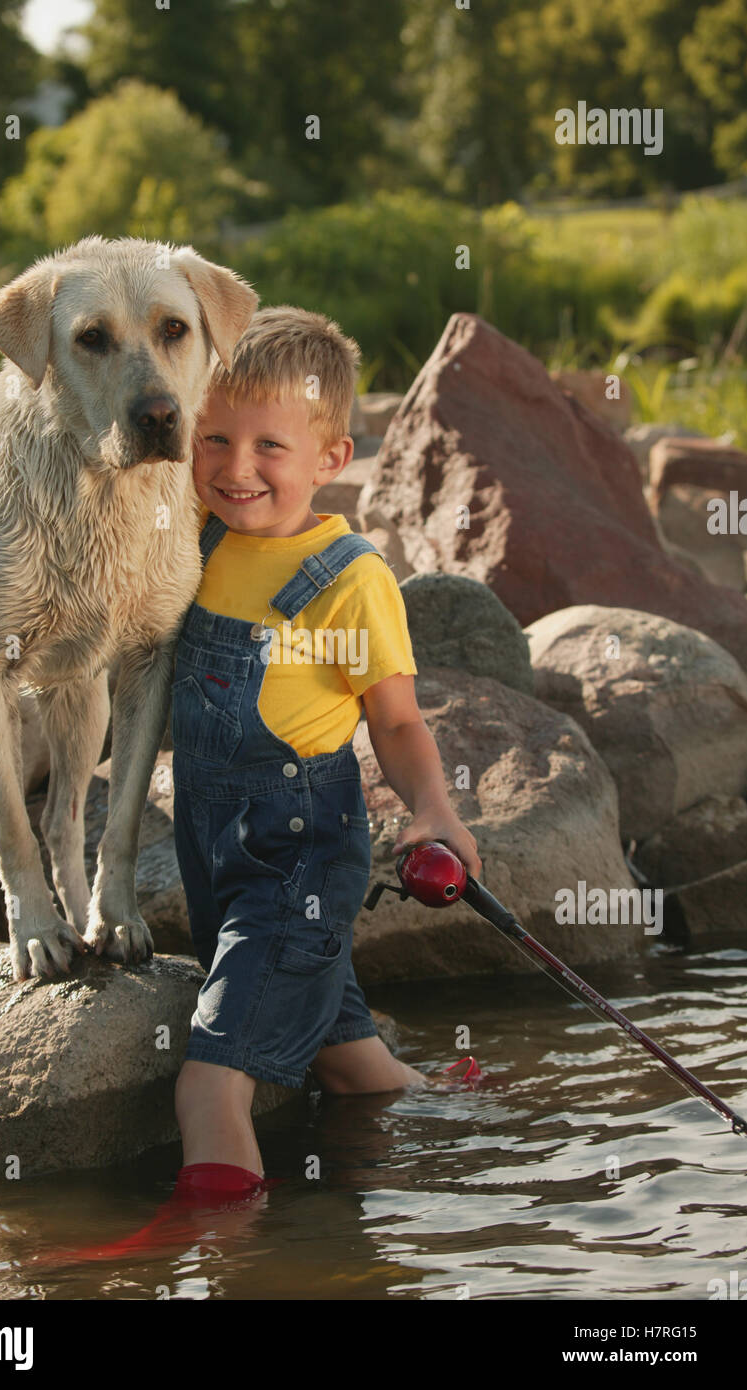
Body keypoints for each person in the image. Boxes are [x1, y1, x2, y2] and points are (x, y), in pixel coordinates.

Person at [170, 305, 483, 1205]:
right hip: (211, 847)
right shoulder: (202, 532)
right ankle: (470, 1118)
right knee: (348, 1068)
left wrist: (432, 808)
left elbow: (393, 721)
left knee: (208, 1076)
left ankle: (216, 1244)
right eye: (214, 438)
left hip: (299, 850)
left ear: (331, 460)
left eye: (270, 447)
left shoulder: (346, 579)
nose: (236, 469)